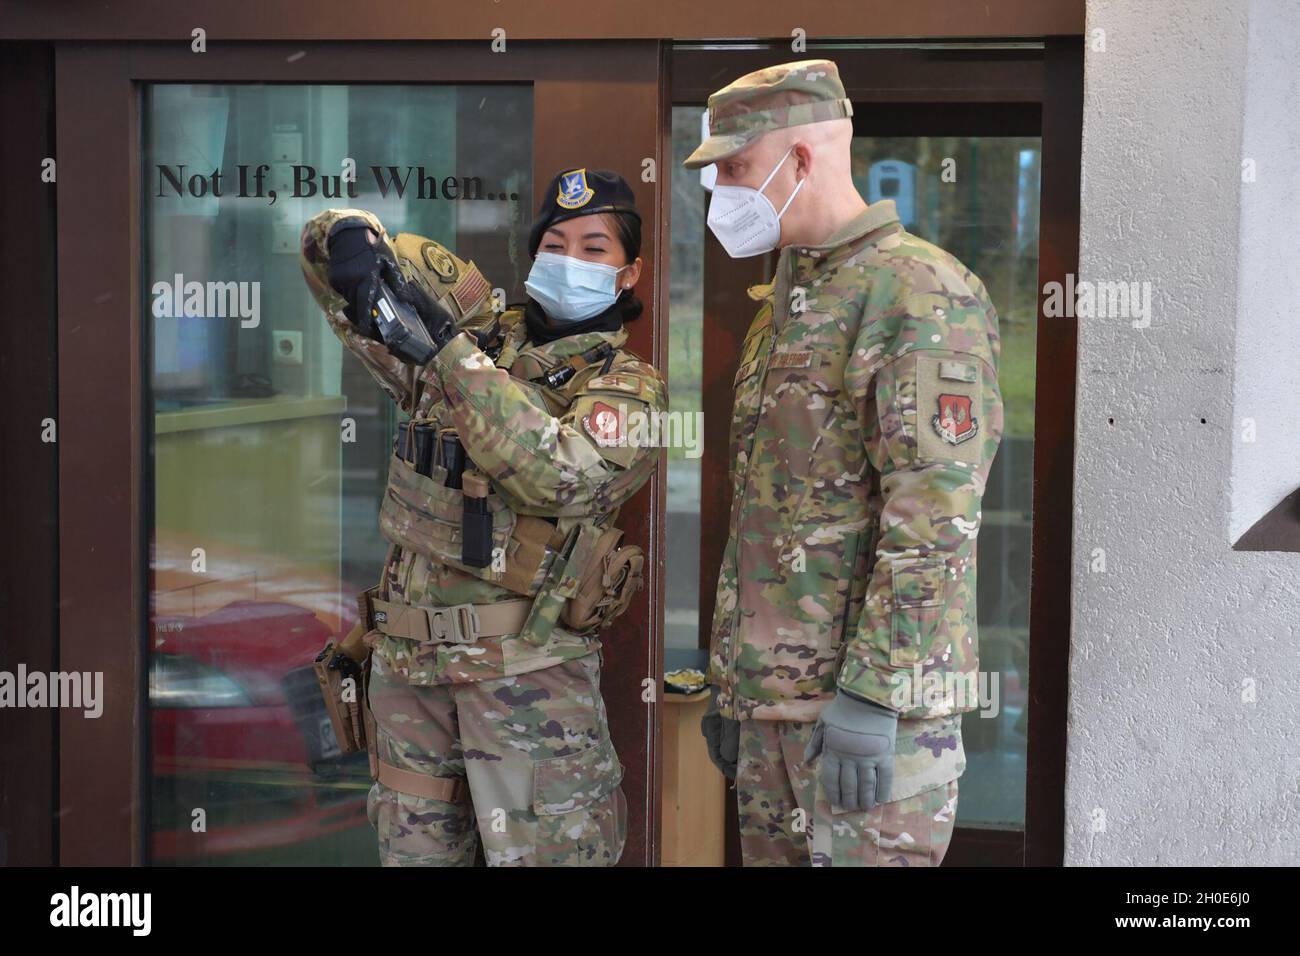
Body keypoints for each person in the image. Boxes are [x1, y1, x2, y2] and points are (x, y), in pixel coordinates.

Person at [683, 59, 1003, 867]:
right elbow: (766, 512)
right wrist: (734, 683)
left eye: (736, 167)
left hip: (869, 717)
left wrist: (875, 692)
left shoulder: (917, 293)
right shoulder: (790, 299)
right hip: (775, 708)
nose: (720, 189)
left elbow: (936, 514)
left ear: (801, 160)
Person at [299, 167, 667, 866]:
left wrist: (447, 354)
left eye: (594, 249)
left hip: (527, 681)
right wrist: (344, 242)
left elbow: (557, 476)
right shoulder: (476, 339)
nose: (569, 261)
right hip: (408, 671)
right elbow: (342, 287)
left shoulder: (628, 389)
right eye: (555, 244)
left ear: (628, 273)